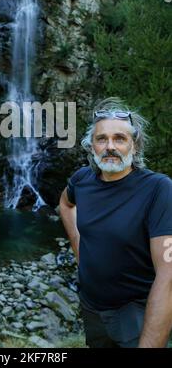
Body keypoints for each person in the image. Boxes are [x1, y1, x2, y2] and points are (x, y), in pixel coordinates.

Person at [59, 97, 172, 348]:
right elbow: (66, 205)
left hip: (135, 313)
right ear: (91, 146)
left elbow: (168, 275)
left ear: (135, 145)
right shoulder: (82, 180)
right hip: (91, 308)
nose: (110, 146)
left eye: (120, 139)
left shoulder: (158, 189)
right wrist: (80, 251)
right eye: (102, 139)